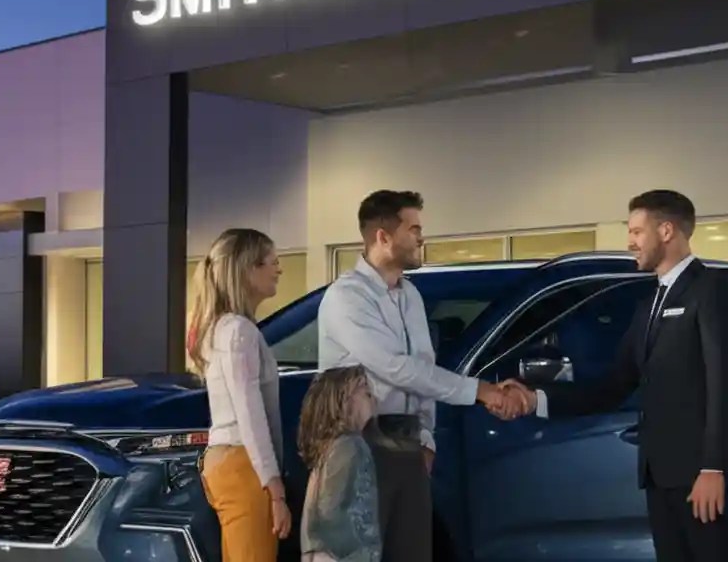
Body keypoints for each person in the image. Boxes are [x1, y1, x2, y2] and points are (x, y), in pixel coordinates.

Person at [499, 190, 728, 562]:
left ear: (666, 231)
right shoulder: (648, 305)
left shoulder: (713, 290)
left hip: (700, 475)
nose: (630, 242)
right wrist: (536, 398)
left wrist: (713, 467)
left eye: (636, 231)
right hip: (659, 475)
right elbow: (614, 385)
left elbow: (724, 385)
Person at [318, 189, 518, 562]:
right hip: (361, 444)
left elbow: (423, 366)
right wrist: (481, 391)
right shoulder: (347, 297)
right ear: (383, 236)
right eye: (413, 229)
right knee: (360, 553)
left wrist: (426, 438)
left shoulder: (410, 295)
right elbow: (395, 367)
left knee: (411, 552)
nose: (421, 238)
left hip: (407, 443)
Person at [190, 229, 290, 562]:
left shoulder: (221, 328)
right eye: (272, 262)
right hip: (244, 465)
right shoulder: (239, 331)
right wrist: (274, 487)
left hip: (227, 462)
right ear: (248, 269)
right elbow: (250, 414)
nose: (279, 269)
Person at [298, 365, 383, 562]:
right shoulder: (350, 446)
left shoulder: (332, 446)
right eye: (365, 390)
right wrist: (365, 551)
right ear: (344, 402)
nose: (374, 397)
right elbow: (329, 510)